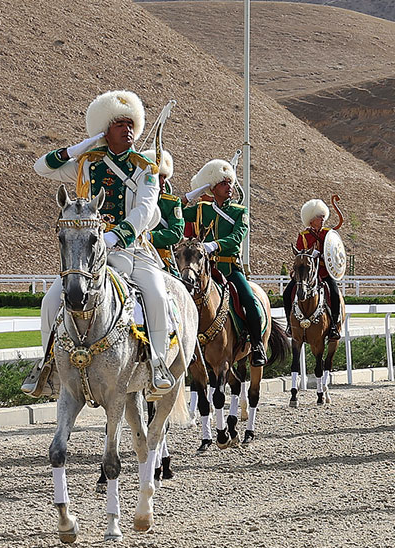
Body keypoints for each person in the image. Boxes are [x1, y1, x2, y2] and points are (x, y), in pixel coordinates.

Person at [23, 90, 174, 398]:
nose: (128, 130)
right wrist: (77, 148)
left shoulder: (146, 167)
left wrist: (116, 236)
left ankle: (158, 364)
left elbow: (145, 210)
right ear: (106, 129)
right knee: (50, 302)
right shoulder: (88, 164)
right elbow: (41, 167)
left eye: (131, 124)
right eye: (120, 124)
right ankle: (48, 367)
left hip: (133, 249)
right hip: (90, 254)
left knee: (157, 297)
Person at [185, 159, 267, 366]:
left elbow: (237, 236)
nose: (229, 187)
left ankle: (257, 345)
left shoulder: (240, 211)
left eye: (230, 183)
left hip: (229, 268)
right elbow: (171, 212)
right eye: (223, 183)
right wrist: (187, 198)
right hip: (205, 269)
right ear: (212, 188)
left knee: (250, 300)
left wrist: (214, 245)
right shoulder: (202, 209)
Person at [283, 199, 343, 343]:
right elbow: (298, 255)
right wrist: (309, 255)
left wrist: (322, 255)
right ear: (311, 219)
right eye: (319, 216)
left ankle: (334, 325)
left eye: (323, 216)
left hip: (324, 272)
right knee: (287, 294)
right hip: (306, 274)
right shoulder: (303, 236)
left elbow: (335, 251)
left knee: (334, 293)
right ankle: (290, 325)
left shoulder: (329, 234)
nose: (322, 219)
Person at [148, 149, 184, 276]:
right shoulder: (130, 199)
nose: (163, 182)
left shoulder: (172, 203)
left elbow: (176, 233)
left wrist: (149, 237)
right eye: (159, 177)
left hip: (162, 260)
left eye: (164, 177)